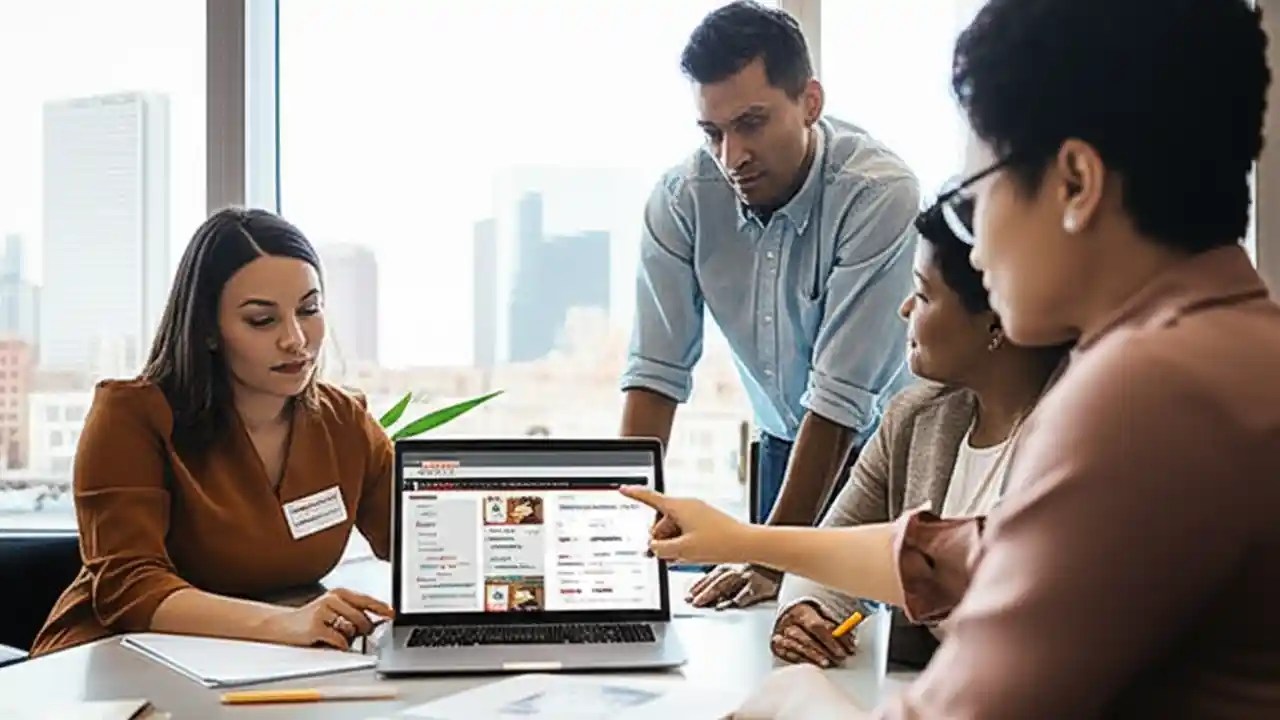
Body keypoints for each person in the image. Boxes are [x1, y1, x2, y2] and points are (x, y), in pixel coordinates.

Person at [622, 0, 1280, 716]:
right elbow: (967, 550)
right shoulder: (1238, 354)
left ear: (1075, 186)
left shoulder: (1138, 397)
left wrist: (793, 699)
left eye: (975, 192)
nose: (972, 244)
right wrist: (750, 540)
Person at [620, 0, 920, 609]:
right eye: (713, 133)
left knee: (862, 645)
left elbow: (840, 402)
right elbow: (655, 376)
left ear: (810, 102)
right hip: (788, 448)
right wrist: (615, 546)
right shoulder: (682, 199)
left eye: (751, 124)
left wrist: (766, 556)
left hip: (887, 454)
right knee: (768, 634)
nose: (731, 157)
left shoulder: (878, 193)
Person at [31, 208, 395, 656]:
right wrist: (287, 623)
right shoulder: (131, 416)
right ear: (207, 330)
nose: (296, 339)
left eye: (309, 309)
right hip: (117, 660)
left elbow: (417, 540)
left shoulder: (344, 422)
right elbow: (130, 589)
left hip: (274, 660)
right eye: (262, 320)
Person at [771, 193, 1066, 670]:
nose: (905, 310)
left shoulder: (1073, 436)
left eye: (924, 293)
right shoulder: (911, 418)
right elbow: (828, 554)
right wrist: (807, 612)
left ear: (997, 320)